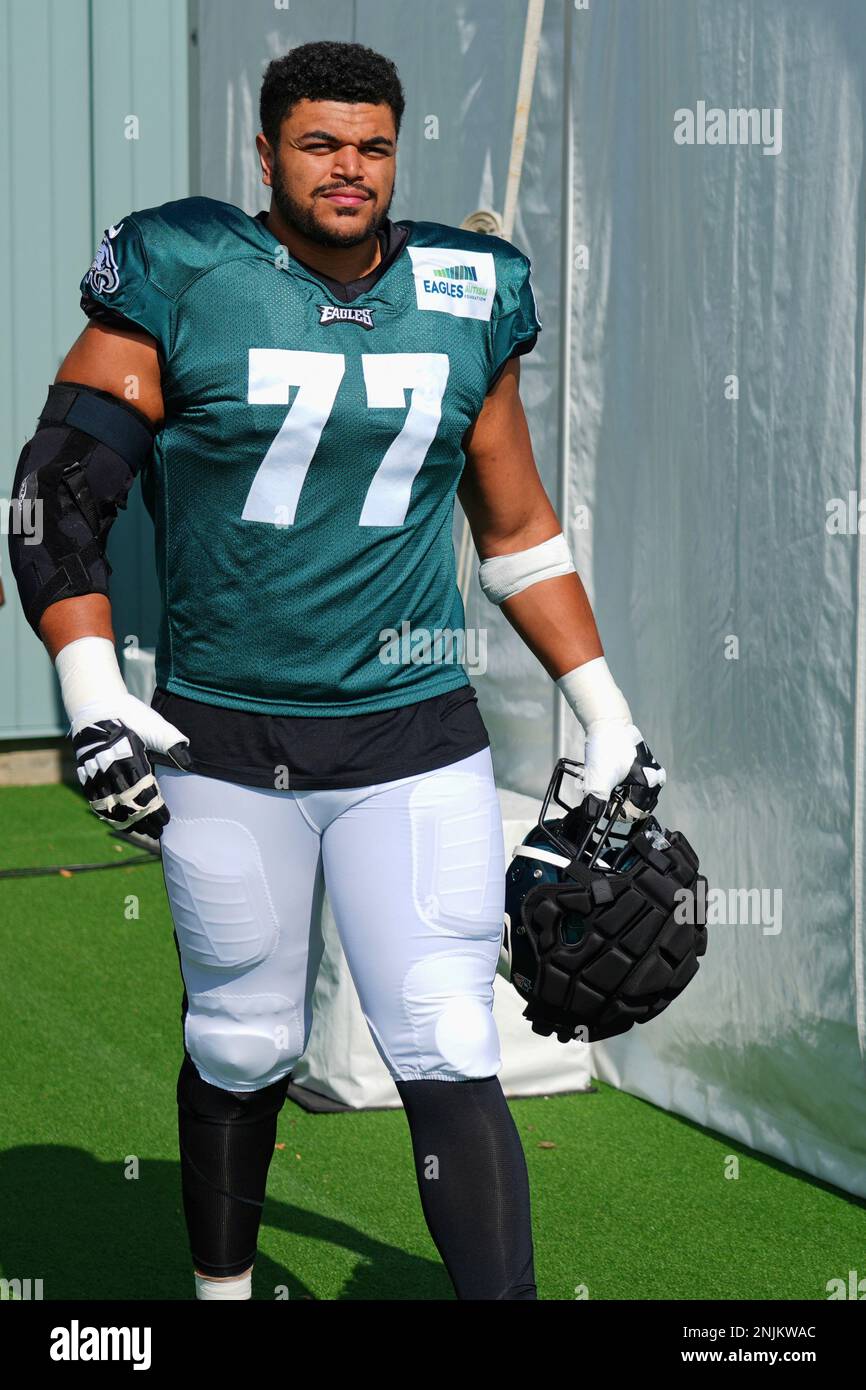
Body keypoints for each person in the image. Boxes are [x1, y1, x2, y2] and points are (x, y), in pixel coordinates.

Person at [8, 39, 663, 1301]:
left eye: (369, 145)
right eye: (318, 144)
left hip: (410, 738)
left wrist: (606, 708)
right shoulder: (185, 267)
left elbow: (515, 525)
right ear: (266, 154)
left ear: (395, 150)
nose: (347, 169)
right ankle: (222, 1293)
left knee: (444, 1039)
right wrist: (93, 698)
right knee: (244, 1041)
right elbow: (57, 494)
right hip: (225, 744)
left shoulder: (468, 287)